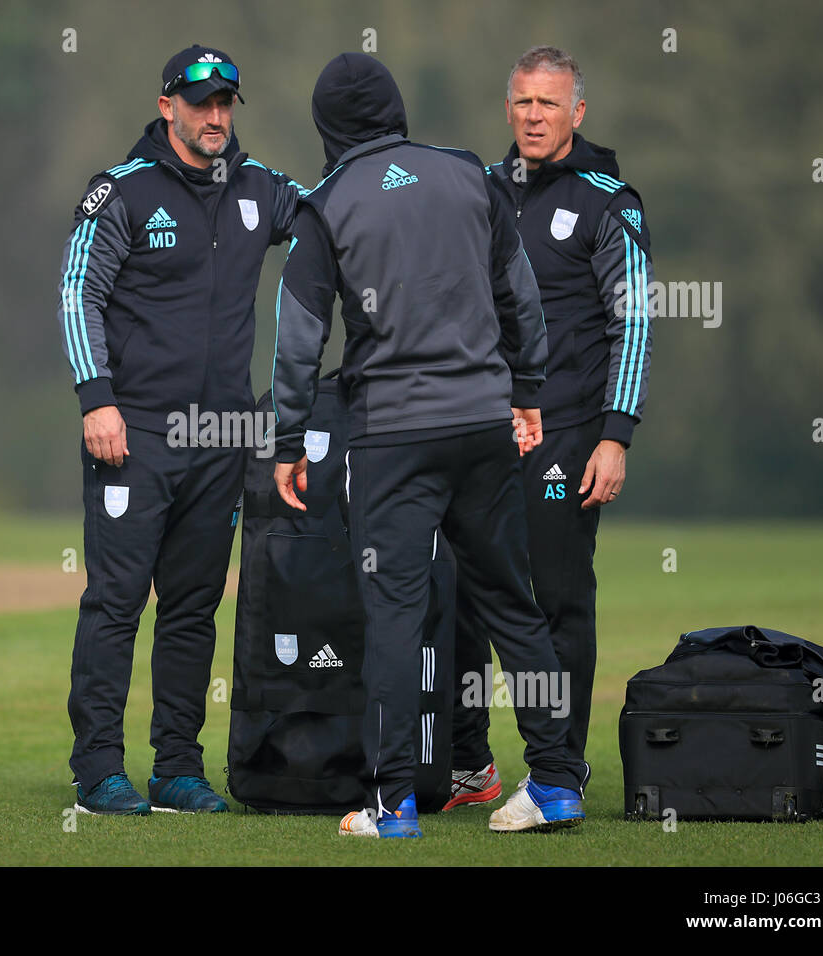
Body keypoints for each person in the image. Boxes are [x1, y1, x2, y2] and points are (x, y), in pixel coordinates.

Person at [271, 52, 586, 837]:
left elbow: (299, 338)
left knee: (393, 618)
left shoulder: (328, 202)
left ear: (328, 128)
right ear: (396, 109)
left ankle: (390, 805)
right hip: (482, 424)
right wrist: (526, 390)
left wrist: (286, 439)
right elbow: (522, 295)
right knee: (515, 605)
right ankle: (553, 781)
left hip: (392, 439)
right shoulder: (468, 173)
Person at [58, 45, 307, 815]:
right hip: (133, 435)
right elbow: (77, 296)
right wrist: (96, 398)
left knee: (194, 608)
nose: (215, 117)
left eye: (226, 103)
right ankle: (99, 769)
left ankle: (176, 768)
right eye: (200, 103)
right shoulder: (123, 191)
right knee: (117, 602)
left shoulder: (260, 188)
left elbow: (333, 217)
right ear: (167, 106)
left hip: (221, 441)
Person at [446, 46, 655, 810]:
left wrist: (615, 435)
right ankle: (468, 766)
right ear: (509, 108)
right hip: (475, 431)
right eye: (523, 102)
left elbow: (633, 324)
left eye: (549, 103)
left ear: (578, 113)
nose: (534, 116)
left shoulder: (609, 201)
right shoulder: (483, 189)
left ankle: (559, 769)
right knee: (461, 594)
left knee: (556, 599)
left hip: (567, 432)